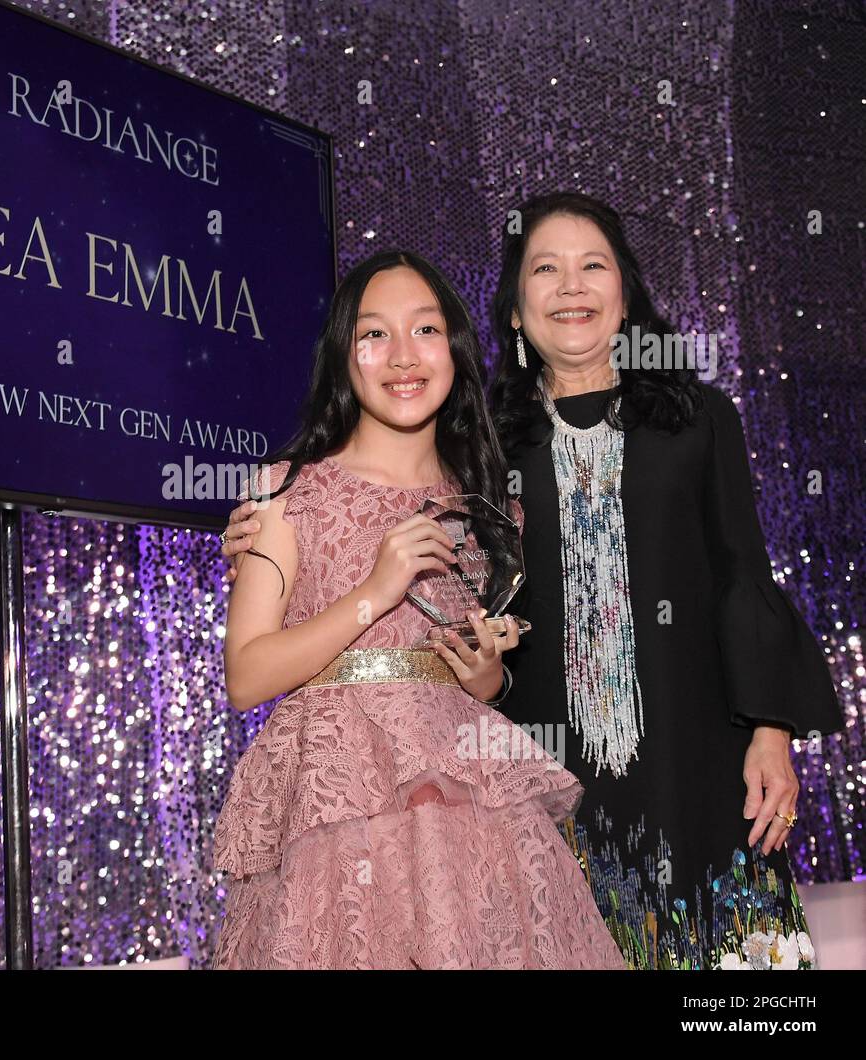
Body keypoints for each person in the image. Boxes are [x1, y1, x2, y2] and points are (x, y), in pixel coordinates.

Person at [221, 194, 845, 970]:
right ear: (514, 311)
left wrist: (772, 730)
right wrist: (268, 528)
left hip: (703, 755)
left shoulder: (697, 418)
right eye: (545, 270)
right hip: (551, 771)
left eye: (594, 267)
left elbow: (744, 575)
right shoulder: (490, 446)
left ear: (626, 293)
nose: (571, 287)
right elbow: (409, 557)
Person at [211, 248, 624, 969]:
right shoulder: (285, 490)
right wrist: (377, 586)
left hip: (470, 816)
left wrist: (483, 672)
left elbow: (479, 685)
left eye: (425, 330)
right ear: (344, 354)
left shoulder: (485, 504)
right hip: (341, 819)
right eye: (374, 334)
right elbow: (246, 676)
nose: (403, 356)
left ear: (457, 352)